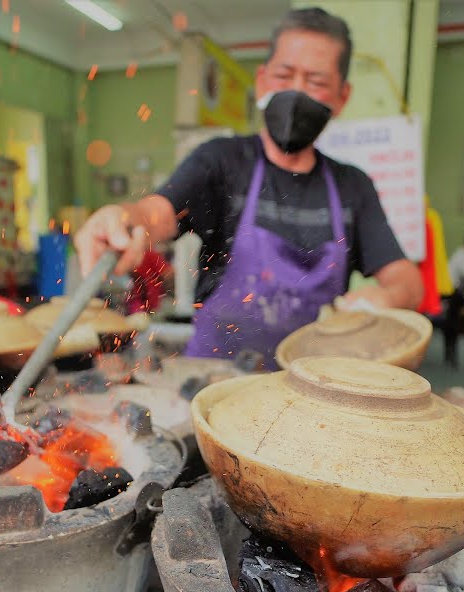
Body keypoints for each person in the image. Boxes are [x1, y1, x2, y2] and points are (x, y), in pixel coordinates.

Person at [73, 7, 422, 367]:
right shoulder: (221, 161)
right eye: (284, 75)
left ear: (341, 97)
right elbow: (155, 213)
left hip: (313, 383)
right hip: (215, 376)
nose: (295, 92)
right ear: (263, 80)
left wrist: (386, 297)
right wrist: (124, 218)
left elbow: (407, 280)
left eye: (316, 82)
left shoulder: (353, 186)